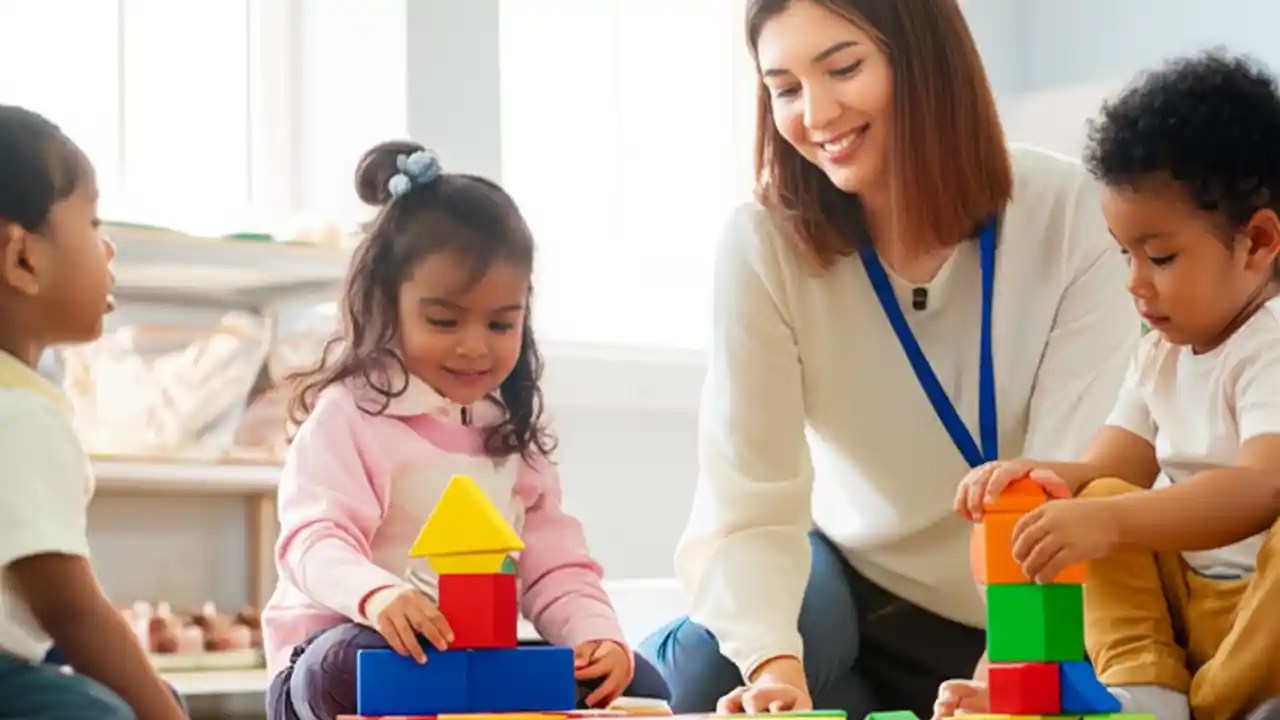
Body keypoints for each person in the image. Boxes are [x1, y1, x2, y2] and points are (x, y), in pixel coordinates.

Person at [635, 0, 1140, 717]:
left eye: (843, 69)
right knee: (714, 672)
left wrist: (1003, 674)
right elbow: (749, 496)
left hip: (1029, 606)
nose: (816, 114)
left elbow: (1070, 478)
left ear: (925, 60)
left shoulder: (1070, 212)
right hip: (857, 588)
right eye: (785, 88)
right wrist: (775, 673)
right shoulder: (761, 245)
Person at [261, 141, 670, 720]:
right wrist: (378, 597)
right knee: (342, 667)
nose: (475, 345)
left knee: (640, 680)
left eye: (501, 324)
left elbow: (555, 566)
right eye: (444, 321)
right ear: (387, 306)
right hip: (348, 648)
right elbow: (314, 540)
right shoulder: (350, 417)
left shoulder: (511, 432)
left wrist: (594, 636)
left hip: (468, 656)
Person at [939, 50, 1280, 720]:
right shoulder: (1159, 355)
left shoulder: (1269, 344)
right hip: (1191, 603)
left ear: (1259, 241)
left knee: (1110, 514)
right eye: (1126, 255)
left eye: (1160, 257)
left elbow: (1261, 486)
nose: (1135, 283)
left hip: (1263, 624)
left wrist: (1113, 520)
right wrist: (1036, 478)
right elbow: (1108, 472)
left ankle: (1233, 702)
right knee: (1091, 499)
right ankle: (1146, 684)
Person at [0, 104, 190, 719]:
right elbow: (70, 609)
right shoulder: (17, 415)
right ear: (22, 259)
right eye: (92, 221)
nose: (107, 247)